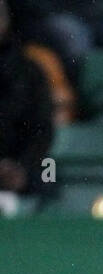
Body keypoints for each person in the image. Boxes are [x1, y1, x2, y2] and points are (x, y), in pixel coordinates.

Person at [0, 0, 54, 199]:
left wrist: (21, 168)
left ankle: (49, 225)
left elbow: (43, 129)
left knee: (51, 172)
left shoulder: (30, 71)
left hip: (21, 166)